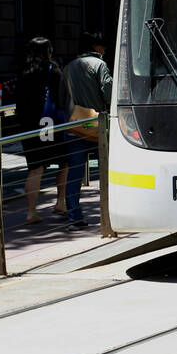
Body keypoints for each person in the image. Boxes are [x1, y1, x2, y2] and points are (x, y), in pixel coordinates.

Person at [13, 37, 71, 224]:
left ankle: (31, 212)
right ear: (48, 51)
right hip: (51, 124)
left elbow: (18, 102)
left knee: (35, 168)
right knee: (64, 162)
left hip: (29, 127)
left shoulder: (23, 71)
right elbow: (63, 98)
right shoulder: (53, 70)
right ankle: (60, 202)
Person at [60, 30, 112, 231]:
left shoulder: (68, 68)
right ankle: (108, 213)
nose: (105, 48)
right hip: (98, 127)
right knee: (107, 172)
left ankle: (74, 215)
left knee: (74, 173)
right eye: (103, 45)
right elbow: (108, 93)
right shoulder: (100, 65)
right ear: (95, 46)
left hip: (74, 127)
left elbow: (61, 97)